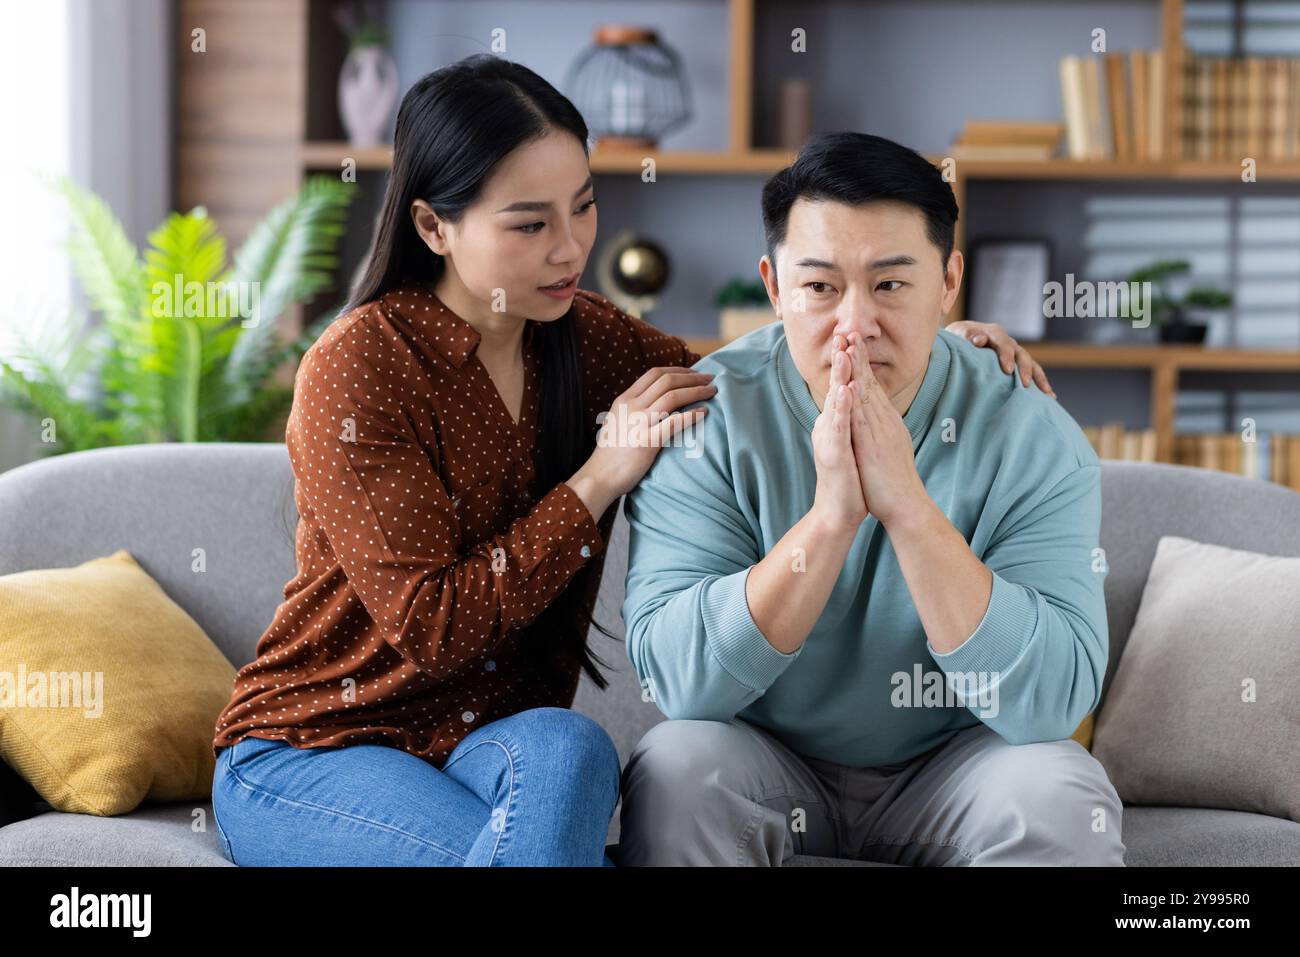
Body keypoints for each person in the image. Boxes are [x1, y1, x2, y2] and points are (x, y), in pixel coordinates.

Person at [210, 55, 1052, 867]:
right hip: (315, 749)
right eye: (530, 224)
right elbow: (436, 629)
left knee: (575, 745)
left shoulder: (586, 336)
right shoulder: (359, 365)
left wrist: (934, 346)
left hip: (486, 747)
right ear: (434, 225)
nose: (570, 248)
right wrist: (600, 476)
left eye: (583, 206)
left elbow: (747, 380)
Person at [618, 131, 1123, 867]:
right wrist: (831, 520)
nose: (855, 323)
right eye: (820, 286)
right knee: (676, 766)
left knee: (1063, 793)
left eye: (891, 284)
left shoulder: (1029, 430)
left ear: (948, 283)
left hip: (954, 770)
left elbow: (1051, 703)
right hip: (767, 761)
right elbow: (679, 682)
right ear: (773, 284)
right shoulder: (709, 417)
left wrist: (909, 508)